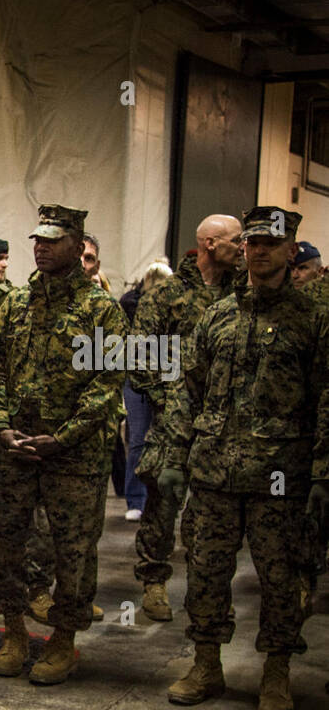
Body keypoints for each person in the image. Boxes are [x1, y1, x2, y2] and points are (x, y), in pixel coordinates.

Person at [160, 207, 329, 710]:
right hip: (214, 471)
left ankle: (276, 673)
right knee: (206, 572)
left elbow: (326, 399)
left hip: (280, 475)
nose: (259, 252)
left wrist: (322, 473)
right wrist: (173, 455)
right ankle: (206, 664)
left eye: (270, 244)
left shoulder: (312, 319)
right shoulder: (218, 316)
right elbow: (187, 387)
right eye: (252, 243)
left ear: (291, 250)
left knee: (281, 578)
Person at [0, 204, 127, 685]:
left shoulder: (101, 310)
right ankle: (14, 632)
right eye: (37, 239)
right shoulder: (17, 303)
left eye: (52, 240)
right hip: (16, 449)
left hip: (74, 456)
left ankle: (63, 639)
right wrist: (0, 425)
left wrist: (64, 437)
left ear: (77, 246)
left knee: (73, 550)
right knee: (7, 544)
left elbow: (107, 383)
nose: (40, 247)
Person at [128, 215, 243, 621]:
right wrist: (169, 400)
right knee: (163, 502)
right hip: (173, 419)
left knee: (212, 508)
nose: (243, 247)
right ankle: (154, 581)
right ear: (210, 243)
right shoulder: (167, 295)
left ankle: (205, 585)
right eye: (236, 240)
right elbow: (140, 355)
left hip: (224, 424)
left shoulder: (243, 293)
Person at [120, 259, 173, 523]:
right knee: (139, 439)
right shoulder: (130, 304)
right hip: (137, 377)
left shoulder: (177, 307)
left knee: (163, 440)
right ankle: (136, 499)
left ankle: (158, 499)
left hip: (165, 376)